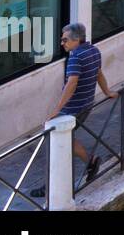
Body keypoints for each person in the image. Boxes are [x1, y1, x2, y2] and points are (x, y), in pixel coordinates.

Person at [48, 23, 116, 187]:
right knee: (66, 139)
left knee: (56, 138)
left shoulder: (75, 57)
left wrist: (57, 110)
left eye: (65, 40)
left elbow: (71, 84)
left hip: (73, 109)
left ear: (76, 39)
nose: (62, 43)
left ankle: (54, 184)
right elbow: (99, 73)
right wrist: (107, 92)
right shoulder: (94, 50)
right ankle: (89, 163)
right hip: (87, 104)